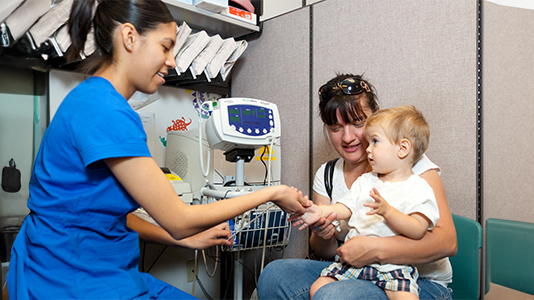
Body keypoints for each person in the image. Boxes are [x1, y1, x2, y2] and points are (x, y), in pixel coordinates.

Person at [6, 0, 308, 299]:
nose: (173, 61)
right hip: (72, 279)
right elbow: (179, 219)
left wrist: (185, 241)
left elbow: (107, 215)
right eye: (165, 47)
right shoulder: (104, 110)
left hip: (93, 269)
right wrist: (273, 192)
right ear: (129, 38)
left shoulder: (95, 99)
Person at [257, 74, 457, 300]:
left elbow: (448, 243)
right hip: (355, 270)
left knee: (334, 296)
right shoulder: (329, 174)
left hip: (417, 279)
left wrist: (373, 249)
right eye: (335, 127)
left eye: (358, 123)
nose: (348, 137)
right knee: (274, 275)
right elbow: (327, 251)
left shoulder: (411, 166)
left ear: (377, 117)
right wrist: (323, 231)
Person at [290, 105, 441, 300]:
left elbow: (418, 229)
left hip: (394, 266)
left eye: (375, 142)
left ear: (403, 149)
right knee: (318, 287)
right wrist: (319, 212)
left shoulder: (419, 188)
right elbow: (345, 207)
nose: (367, 149)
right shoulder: (366, 180)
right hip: (355, 264)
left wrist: (388, 211)